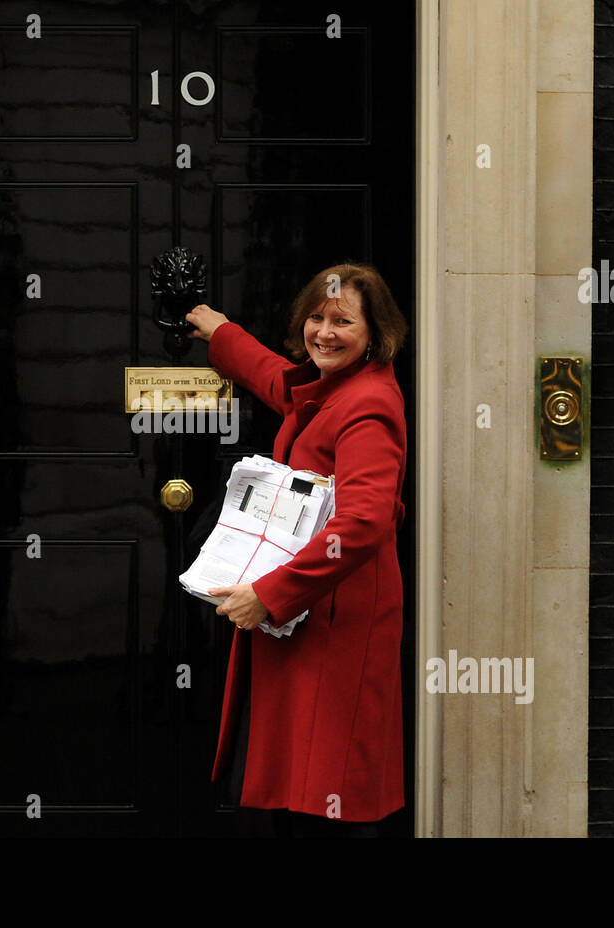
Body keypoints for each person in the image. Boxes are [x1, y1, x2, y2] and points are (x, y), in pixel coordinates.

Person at [184, 261, 408, 838]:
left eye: (342, 321)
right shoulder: (334, 387)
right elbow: (280, 382)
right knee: (302, 781)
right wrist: (221, 332)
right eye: (316, 317)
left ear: (375, 332)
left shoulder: (369, 405)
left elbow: (363, 522)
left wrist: (269, 595)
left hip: (338, 617)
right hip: (314, 611)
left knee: (330, 790)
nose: (324, 333)